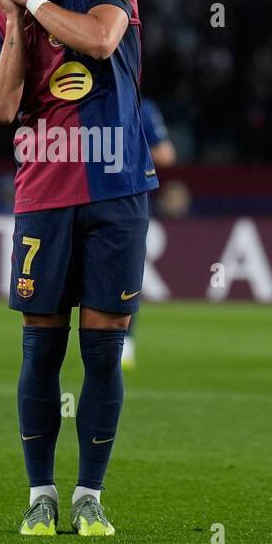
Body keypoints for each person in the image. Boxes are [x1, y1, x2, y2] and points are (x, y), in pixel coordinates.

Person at [0, 0, 158, 537]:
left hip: (116, 192)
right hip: (43, 196)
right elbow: (0, 106)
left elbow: (102, 39)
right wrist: (16, 15)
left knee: (103, 353)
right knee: (40, 351)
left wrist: (32, 0)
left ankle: (89, 496)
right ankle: (41, 495)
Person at [121, 98, 177, 370]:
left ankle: (123, 343)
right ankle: (121, 344)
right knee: (124, 275)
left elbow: (165, 155)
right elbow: (166, 154)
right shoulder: (139, 105)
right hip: (126, 201)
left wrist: (116, 149)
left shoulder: (141, 107)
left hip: (119, 200)